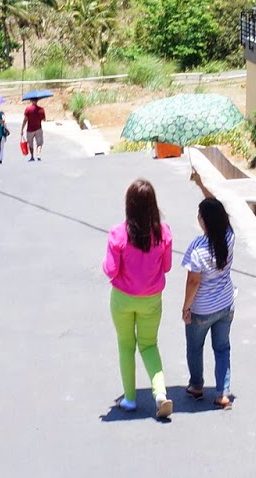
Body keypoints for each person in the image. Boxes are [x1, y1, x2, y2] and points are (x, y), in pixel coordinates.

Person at [103, 179, 173, 419]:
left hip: (123, 298)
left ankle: (130, 399)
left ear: (129, 205)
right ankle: (161, 394)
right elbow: (167, 266)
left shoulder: (118, 234)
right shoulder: (163, 233)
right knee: (149, 344)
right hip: (151, 299)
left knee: (126, 344)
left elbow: (111, 270)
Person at [182, 197, 235, 409]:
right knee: (222, 348)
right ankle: (222, 393)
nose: (198, 217)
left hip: (202, 310)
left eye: (200, 214)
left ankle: (196, 386)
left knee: (195, 347)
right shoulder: (229, 237)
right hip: (226, 304)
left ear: (205, 221)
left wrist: (186, 307)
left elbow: (193, 281)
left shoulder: (197, 247)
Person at [23, 97, 45, 161]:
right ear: (37, 100)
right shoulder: (41, 109)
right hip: (38, 128)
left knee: (30, 143)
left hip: (30, 129)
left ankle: (32, 156)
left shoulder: (28, 109)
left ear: (30, 101)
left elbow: (25, 120)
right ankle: (38, 154)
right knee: (39, 143)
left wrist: (22, 129)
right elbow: (44, 119)